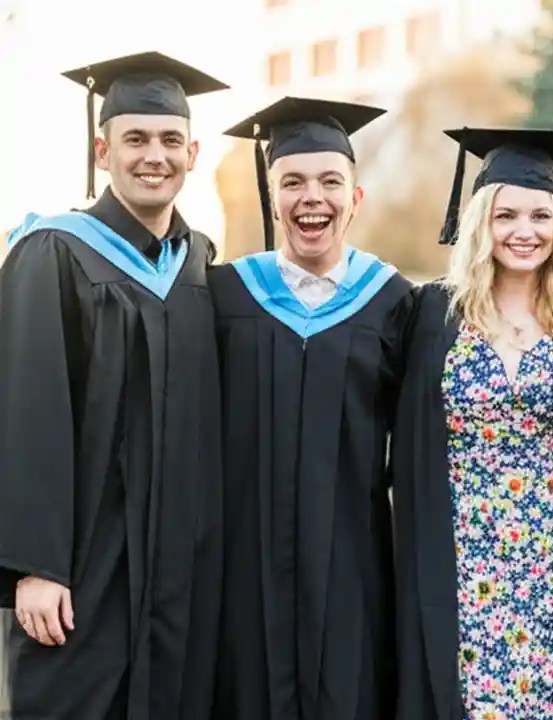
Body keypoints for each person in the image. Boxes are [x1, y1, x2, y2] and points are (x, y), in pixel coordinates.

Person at [0, 51, 227, 719]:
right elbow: (25, 414)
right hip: (84, 572)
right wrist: (34, 569)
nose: (153, 156)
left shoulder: (200, 262)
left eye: (168, 141)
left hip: (179, 573)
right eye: (134, 139)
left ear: (193, 152)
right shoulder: (53, 253)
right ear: (103, 151)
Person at [210, 96, 412, 720]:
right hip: (244, 566)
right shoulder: (224, 298)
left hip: (353, 563)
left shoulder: (395, 304)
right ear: (270, 197)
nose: (311, 198)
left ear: (355, 199)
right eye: (292, 182)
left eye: (330, 181)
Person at [391, 128, 553, 720]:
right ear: (483, 223)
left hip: (549, 558)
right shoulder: (434, 313)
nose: (524, 231)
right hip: (461, 552)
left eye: (540, 216)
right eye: (506, 215)